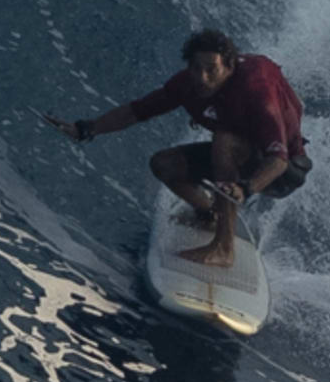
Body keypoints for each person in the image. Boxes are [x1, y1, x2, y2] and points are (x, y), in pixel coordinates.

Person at [50, 28, 308, 273]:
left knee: (225, 140)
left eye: (211, 70)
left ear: (229, 67)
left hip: (283, 172)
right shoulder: (188, 85)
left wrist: (246, 189)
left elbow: (279, 160)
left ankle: (223, 249)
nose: (203, 77)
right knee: (164, 165)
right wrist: (87, 129)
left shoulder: (255, 87)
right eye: (196, 68)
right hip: (242, 160)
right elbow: (138, 110)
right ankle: (210, 212)